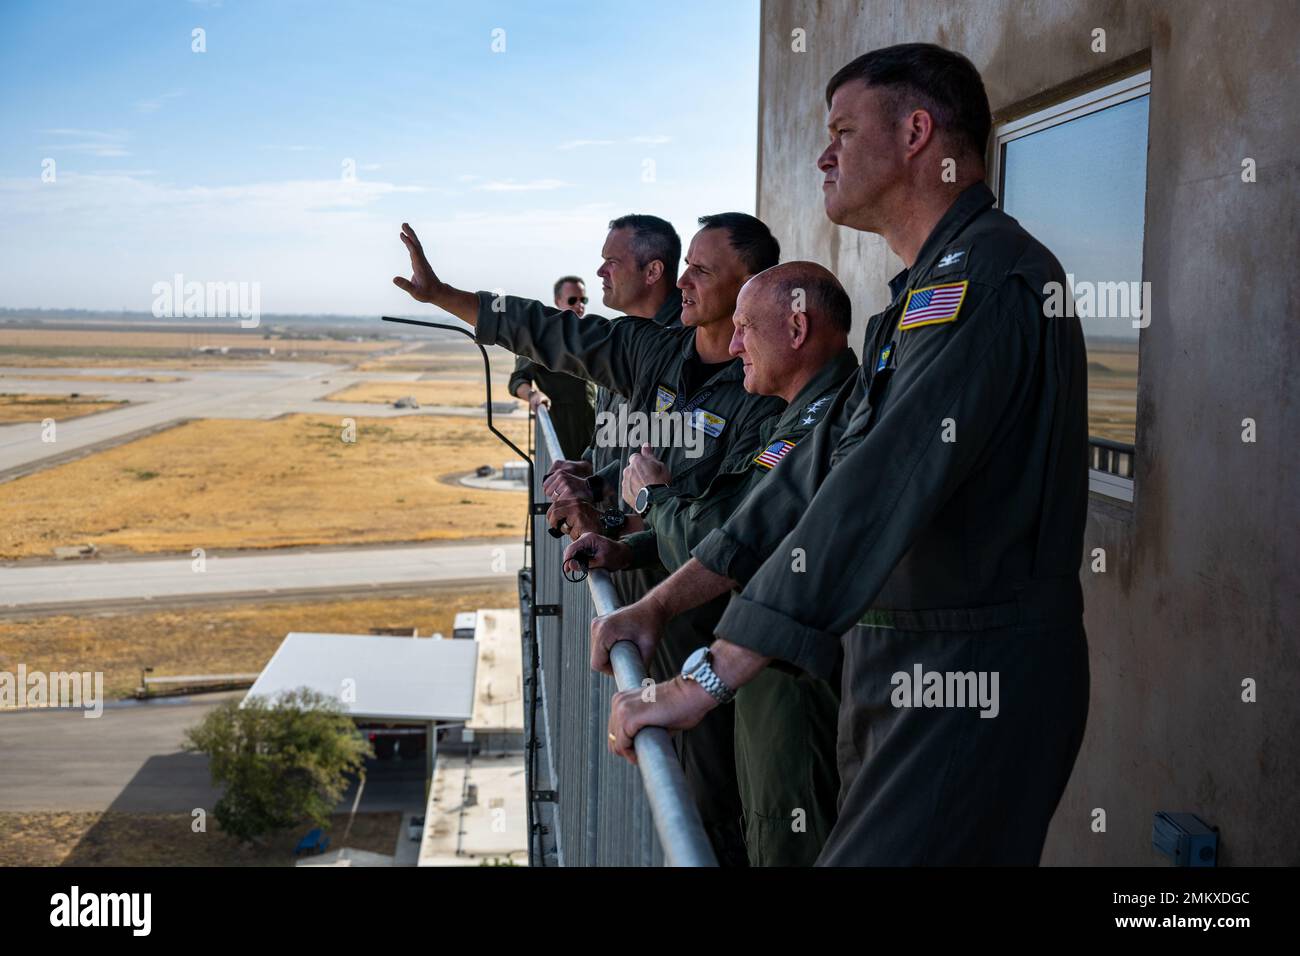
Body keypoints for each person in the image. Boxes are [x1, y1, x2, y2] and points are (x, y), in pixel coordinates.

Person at [596, 42, 1092, 866]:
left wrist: (705, 678)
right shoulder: (919, 299)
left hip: (969, 677)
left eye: (843, 131)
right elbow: (800, 486)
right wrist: (654, 607)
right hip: (906, 667)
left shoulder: (985, 281)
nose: (823, 154)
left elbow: (879, 483)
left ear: (916, 135)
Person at [392, 212, 785, 866]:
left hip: (718, 626)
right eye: (685, 265)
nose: (685, 280)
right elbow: (556, 334)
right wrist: (446, 297)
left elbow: (725, 527)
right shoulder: (664, 350)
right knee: (683, 776)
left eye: (702, 270)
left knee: (719, 796)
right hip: (659, 603)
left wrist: (640, 509)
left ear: (749, 291)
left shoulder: (766, 399)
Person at [562, 261, 859, 865]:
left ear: (797, 329)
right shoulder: (800, 414)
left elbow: (743, 540)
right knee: (759, 828)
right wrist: (632, 549)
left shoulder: (826, 420)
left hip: (791, 683)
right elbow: (743, 521)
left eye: (747, 328)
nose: (734, 344)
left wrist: (648, 501)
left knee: (785, 838)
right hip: (761, 671)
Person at [509, 276, 597, 459]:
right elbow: (518, 380)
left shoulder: (590, 335)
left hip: (592, 426)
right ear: (558, 301)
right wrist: (534, 395)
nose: (579, 305)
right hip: (562, 428)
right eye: (573, 300)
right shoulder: (540, 339)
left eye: (583, 300)